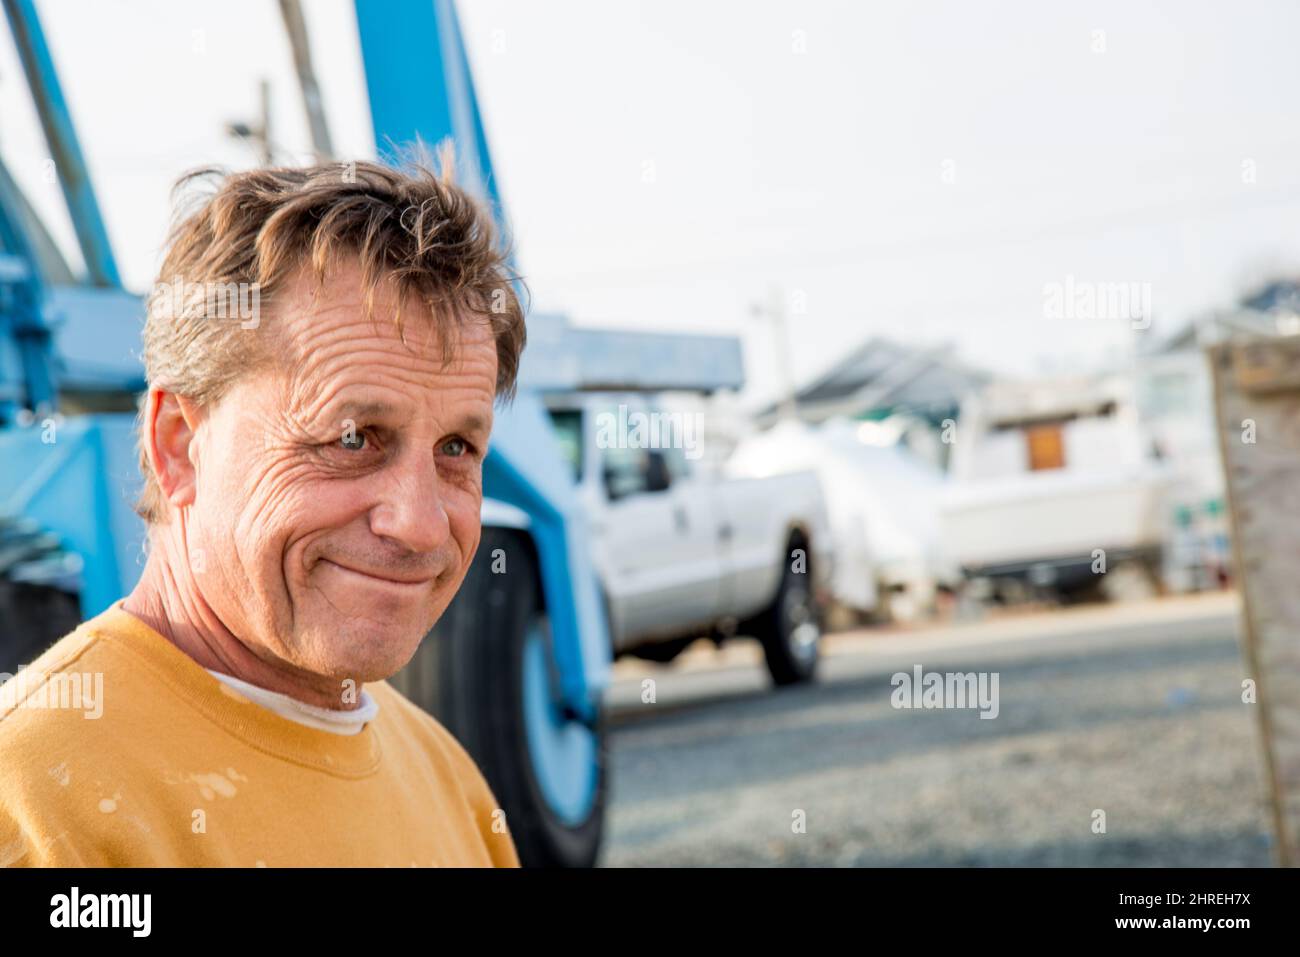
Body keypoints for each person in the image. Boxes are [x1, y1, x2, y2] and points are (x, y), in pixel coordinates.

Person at [0, 159, 525, 867]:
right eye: (352, 437)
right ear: (179, 444)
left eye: (456, 447)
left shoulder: (453, 786)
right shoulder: (35, 805)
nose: (423, 525)